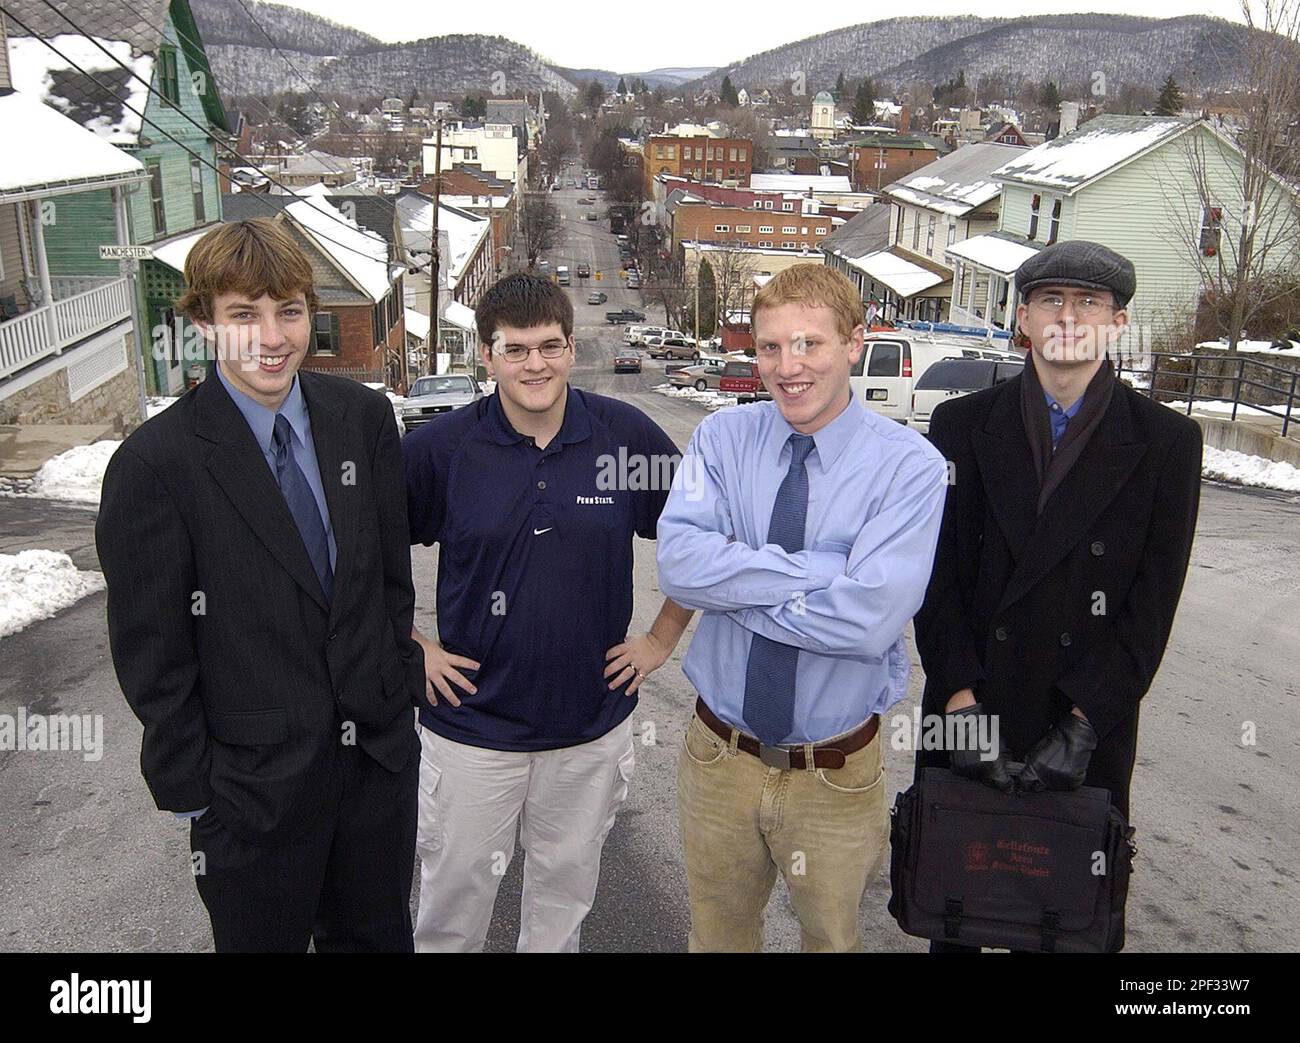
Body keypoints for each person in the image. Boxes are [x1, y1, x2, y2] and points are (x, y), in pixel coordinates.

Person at [95, 219, 424, 952]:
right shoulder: (157, 465)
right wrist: (200, 795)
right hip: (248, 801)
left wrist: (394, 694)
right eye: (244, 314)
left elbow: (387, 582)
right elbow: (153, 654)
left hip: (375, 773)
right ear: (205, 324)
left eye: (290, 311)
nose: (271, 338)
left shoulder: (364, 419)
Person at [914, 240, 1202, 952]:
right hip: (968, 712)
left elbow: (1150, 608)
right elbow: (934, 581)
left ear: (1117, 321)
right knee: (958, 918)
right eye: (1051, 300)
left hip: (1084, 727)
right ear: (1023, 317)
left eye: (1088, 303)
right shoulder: (959, 426)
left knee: (1068, 927)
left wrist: (1082, 724)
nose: (1068, 317)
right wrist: (959, 705)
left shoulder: (1167, 443)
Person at [657, 263, 948, 952]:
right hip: (718, 756)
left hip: (833, 775)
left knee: (830, 941)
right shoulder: (722, 442)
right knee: (718, 938)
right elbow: (679, 564)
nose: (788, 366)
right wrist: (822, 572)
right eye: (770, 347)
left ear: (855, 342)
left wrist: (731, 584)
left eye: (810, 343)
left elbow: (867, 622)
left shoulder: (910, 467)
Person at [403, 273, 693, 952]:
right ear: (487, 354)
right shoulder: (441, 450)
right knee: (451, 910)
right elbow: (362, 554)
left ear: (570, 346)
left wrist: (660, 637)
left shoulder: (623, 436)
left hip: (587, 730)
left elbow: (703, 535)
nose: (536, 364)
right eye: (517, 349)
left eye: (551, 346)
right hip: (471, 731)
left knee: (561, 910)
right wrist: (411, 642)